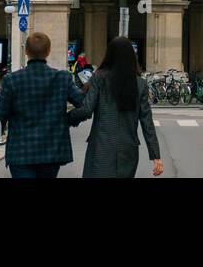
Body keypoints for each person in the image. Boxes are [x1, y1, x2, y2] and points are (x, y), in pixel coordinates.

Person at [0, 32, 84, 179]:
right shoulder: (62, 78)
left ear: (26, 51)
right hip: (52, 152)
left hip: (21, 154)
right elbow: (84, 106)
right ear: (48, 51)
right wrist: (67, 119)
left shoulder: (12, 80)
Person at [66, 36, 162, 178]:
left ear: (109, 55)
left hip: (101, 146)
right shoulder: (140, 84)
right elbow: (147, 122)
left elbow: (86, 110)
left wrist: (67, 119)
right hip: (128, 150)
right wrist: (156, 156)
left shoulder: (100, 77)